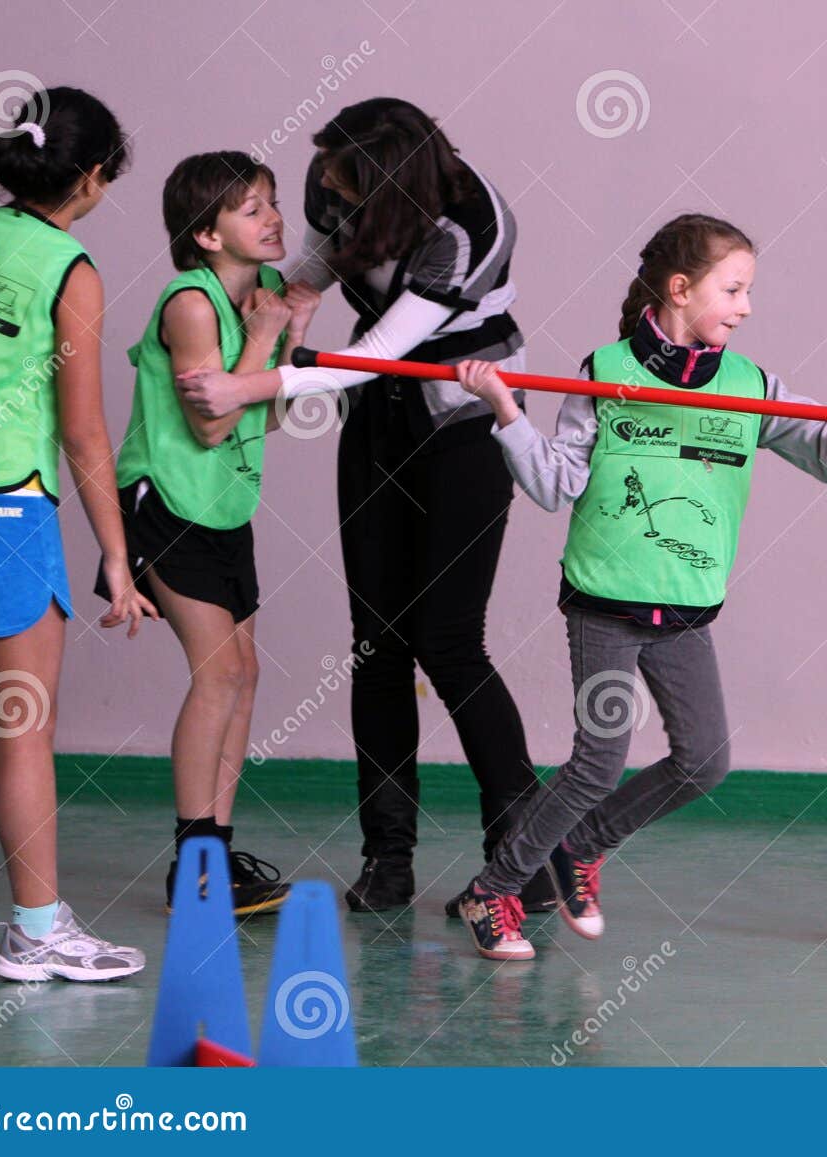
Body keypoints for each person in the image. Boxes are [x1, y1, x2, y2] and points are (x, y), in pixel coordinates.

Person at [450, 213, 827, 959]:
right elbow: (555, 483)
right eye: (734, 289)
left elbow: (821, 451)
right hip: (608, 600)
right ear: (680, 288)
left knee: (704, 759)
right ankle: (491, 892)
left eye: (748, 291)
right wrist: (504, 411)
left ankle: (581, 846)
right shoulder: (600, 373)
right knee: (598, 759)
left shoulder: (751, 385)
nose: (746, 307)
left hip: (686, 607)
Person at [174, 98, 550, 915]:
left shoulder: (470, 229)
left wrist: (250, 384)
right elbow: (318, 266)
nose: (328, 194)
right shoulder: (337, 180)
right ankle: (389, 858)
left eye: (349, 185)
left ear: (396, 181)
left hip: (465, 414)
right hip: (379, 416)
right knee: (377, 644)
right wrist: (298, 297)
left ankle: (520, 864)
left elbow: (377, 351)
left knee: (448, 643)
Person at [0, 86, 156, 981]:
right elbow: (83, 432)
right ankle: (36, 931)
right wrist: (117, 553)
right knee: (22, 727)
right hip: (4, 514)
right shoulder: (70, 270)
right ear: (91, 177)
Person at [103, 151, 321, 915]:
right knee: (220, 674)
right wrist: (263, 340)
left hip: (226, 506)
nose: (273, 219)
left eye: (271, 203)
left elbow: (278, 411)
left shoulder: (260, 295)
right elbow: (209, 425)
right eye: (250, 208)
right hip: (167, 499)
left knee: (246, 674)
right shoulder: (191, 304)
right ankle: (193, 863)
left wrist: (294, 332)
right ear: (206, 234)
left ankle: (216, 860)